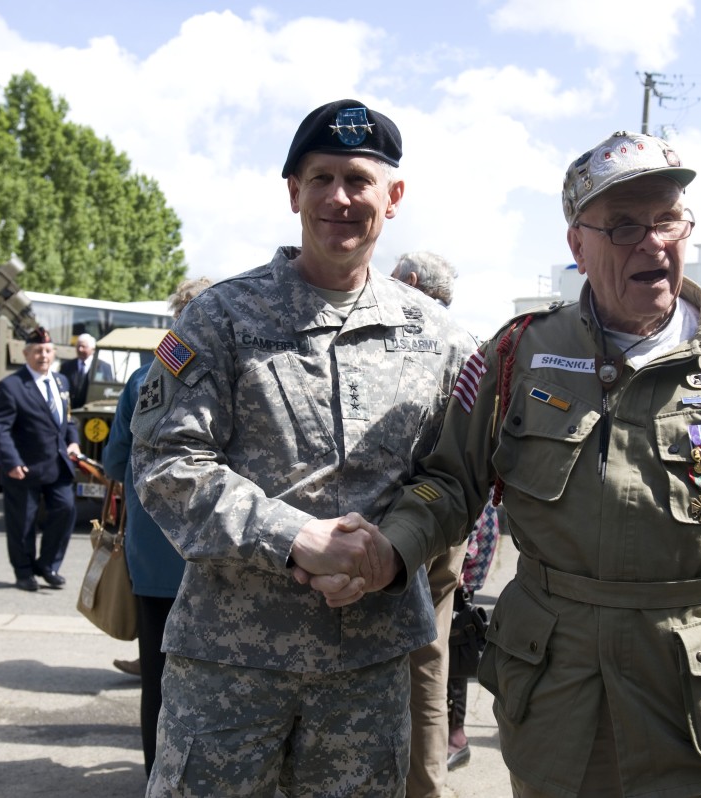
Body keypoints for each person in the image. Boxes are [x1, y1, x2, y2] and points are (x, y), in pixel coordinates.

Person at [320, 131, 701, 796]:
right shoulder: (519, 355)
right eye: (623, 226)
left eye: (668, 219)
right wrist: (389, 550)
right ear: (577, 246)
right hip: (566, 713)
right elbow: (449, 484)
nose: (652, 242)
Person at [130, 99, 476, 798]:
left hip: (368, 670)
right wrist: (294, 538)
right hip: (230, 663)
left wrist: (391, 552)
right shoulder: (221, 318)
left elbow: (455, 478)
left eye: (359, 180)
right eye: (321, 178)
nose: (339, 198)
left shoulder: (439, 338)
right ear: (294, 192)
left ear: (393, 197)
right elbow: (168, 463)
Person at [101, 276, 211, 777]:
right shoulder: (233, 377)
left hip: (153, 555)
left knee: (158, 678)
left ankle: (156, 777)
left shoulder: (143, 378)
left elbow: (114, 461)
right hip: (214, 555)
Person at [390, 250, 470, 798]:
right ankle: (427, 785)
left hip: (401, 525)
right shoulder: (467, 344)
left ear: (411, 282)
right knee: (430, 657)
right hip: (449, 522)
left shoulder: (400, 338)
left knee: (408, 660)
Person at [0, 327, 81, 592]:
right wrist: (11, 461)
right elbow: (0, 428)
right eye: (38, 351)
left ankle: (49, 565)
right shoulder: (12, 386)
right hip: (24, 467)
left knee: (66, 509)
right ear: (26, 354)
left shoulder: (61, 381)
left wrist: (73, 441)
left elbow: (67, 419)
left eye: (48, 351)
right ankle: (24, 571)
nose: (44, 356)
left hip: (58, 464)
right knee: (22, 523)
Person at [446, 502, 502, 772]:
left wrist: (459, 567)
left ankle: (456, 739)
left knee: (455, 657)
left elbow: (473, 521)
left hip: (459, 573)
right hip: (461, 566)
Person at [60, 332, 114, 409]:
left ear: (93, 349)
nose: (80, 349)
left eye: (83, 347)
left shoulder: (104, 367)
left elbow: (108, 390)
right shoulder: (66, 366)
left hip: (92, 410)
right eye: (78, 346)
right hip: (71, 410)